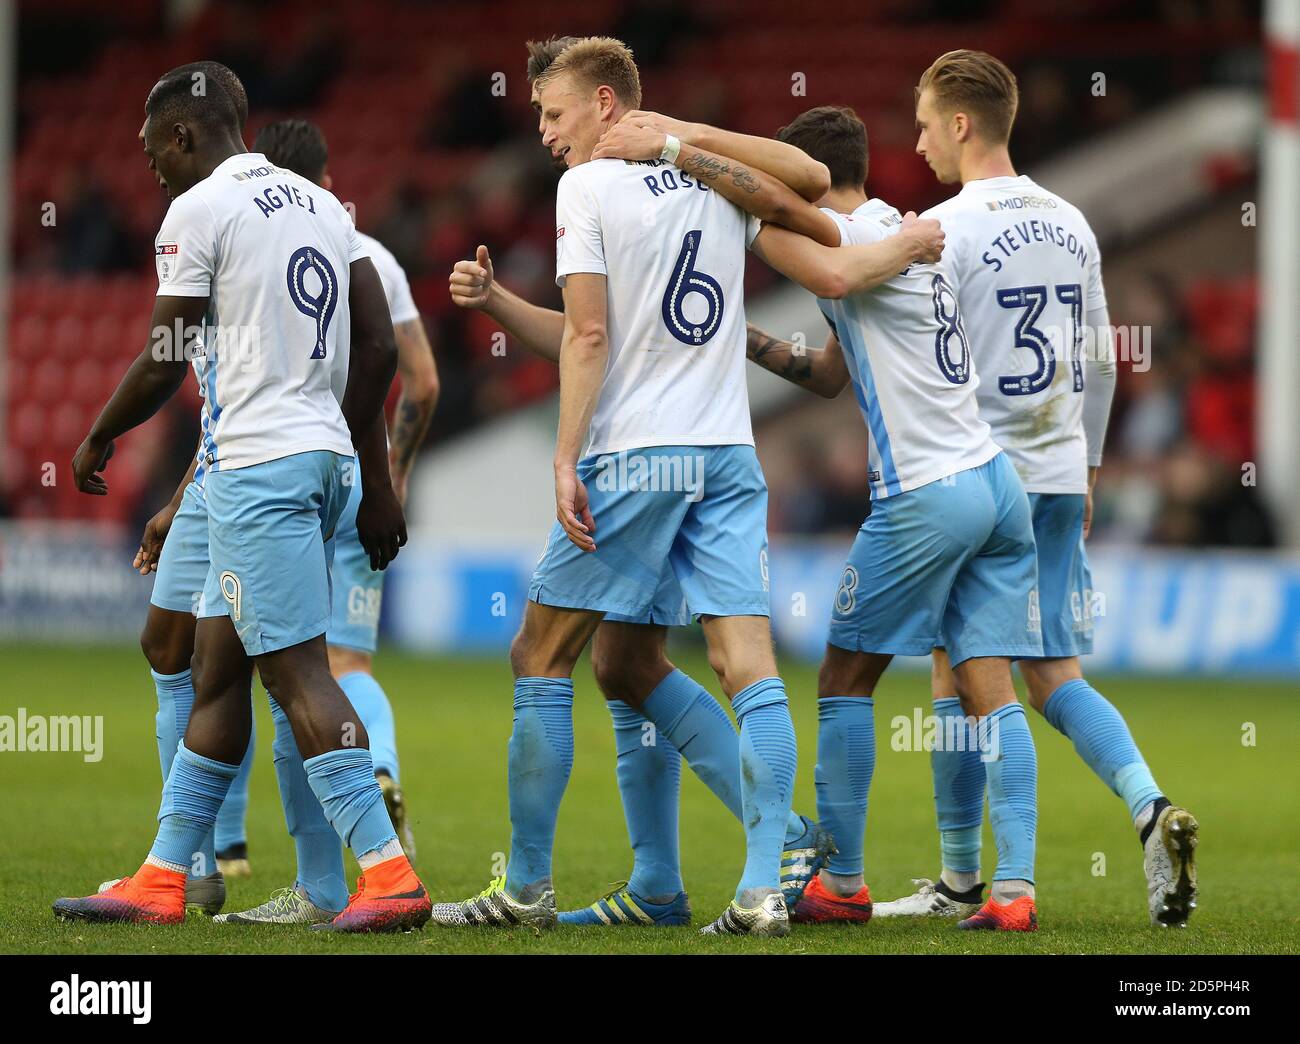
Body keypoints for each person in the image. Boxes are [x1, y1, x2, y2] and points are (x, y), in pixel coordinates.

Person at [596, 101, 1046, 931]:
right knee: (991, 688)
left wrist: (677, 149)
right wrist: (749, 339)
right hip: (995, 485)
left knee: (842, 680)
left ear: (799, 172)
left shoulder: (860, 241)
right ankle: (1014, 892)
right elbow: (835, 370)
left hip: (926, 492)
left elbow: (830, 269)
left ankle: (839, 882)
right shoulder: (891, 230)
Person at [54, 64, 426, 933]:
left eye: (155, 155)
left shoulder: (202, 208)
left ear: (185, 137)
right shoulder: (320, 208)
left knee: (297, 672)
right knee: (216, 672)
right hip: (314, 459)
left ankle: (388, 873)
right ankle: (162, 875)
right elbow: (375, 346)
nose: (153, 173)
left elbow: (165, 354)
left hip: (258, 470)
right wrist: (367, 469)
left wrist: (101, 434)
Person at [874, 50, 1197, 927]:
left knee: (958, 676)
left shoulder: (946, 229)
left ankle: (974, 882)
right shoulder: (1073, 222)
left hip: (982, 479)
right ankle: (1148, 805)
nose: (919, 137)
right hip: (1058, 477)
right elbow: (1102, 360)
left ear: (963, 123)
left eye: (926, 120)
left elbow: (929, 362)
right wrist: (1086, 470)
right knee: (1053, 671)